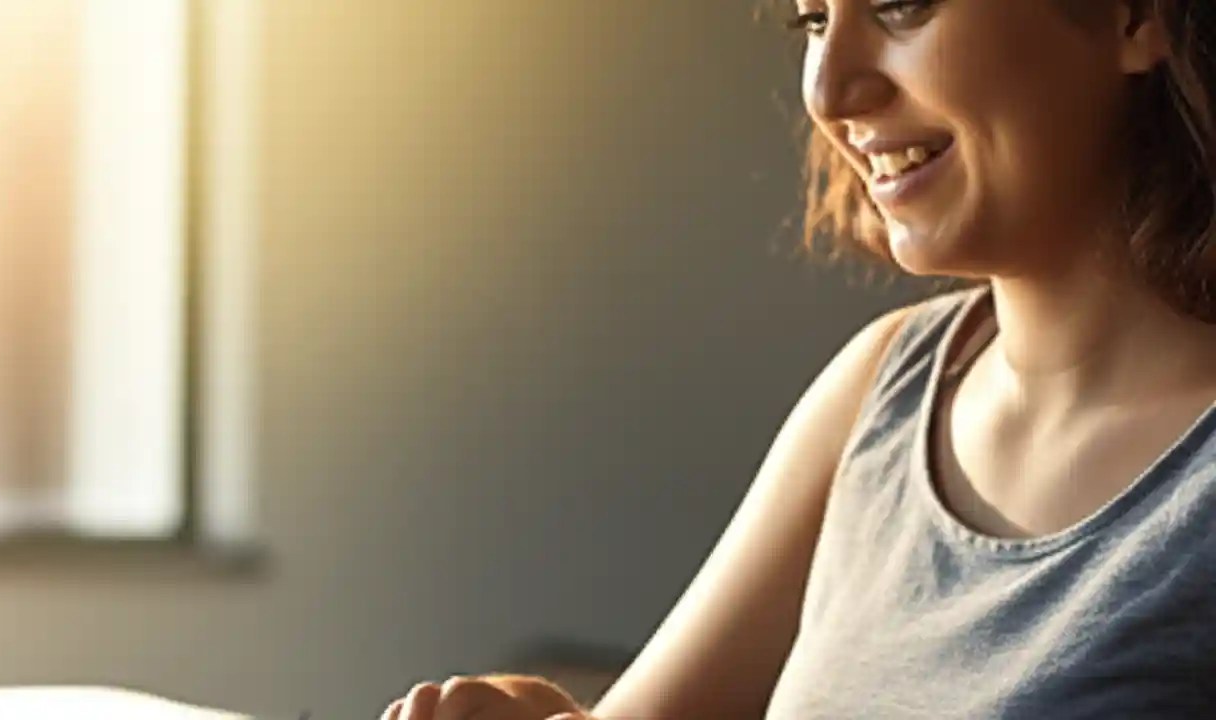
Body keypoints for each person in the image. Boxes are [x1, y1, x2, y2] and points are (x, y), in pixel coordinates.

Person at [379, 0, 1216, 717]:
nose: (830, 89)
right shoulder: (880, 388)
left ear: (1136, 15)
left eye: (899, 5)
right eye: (814, 18)